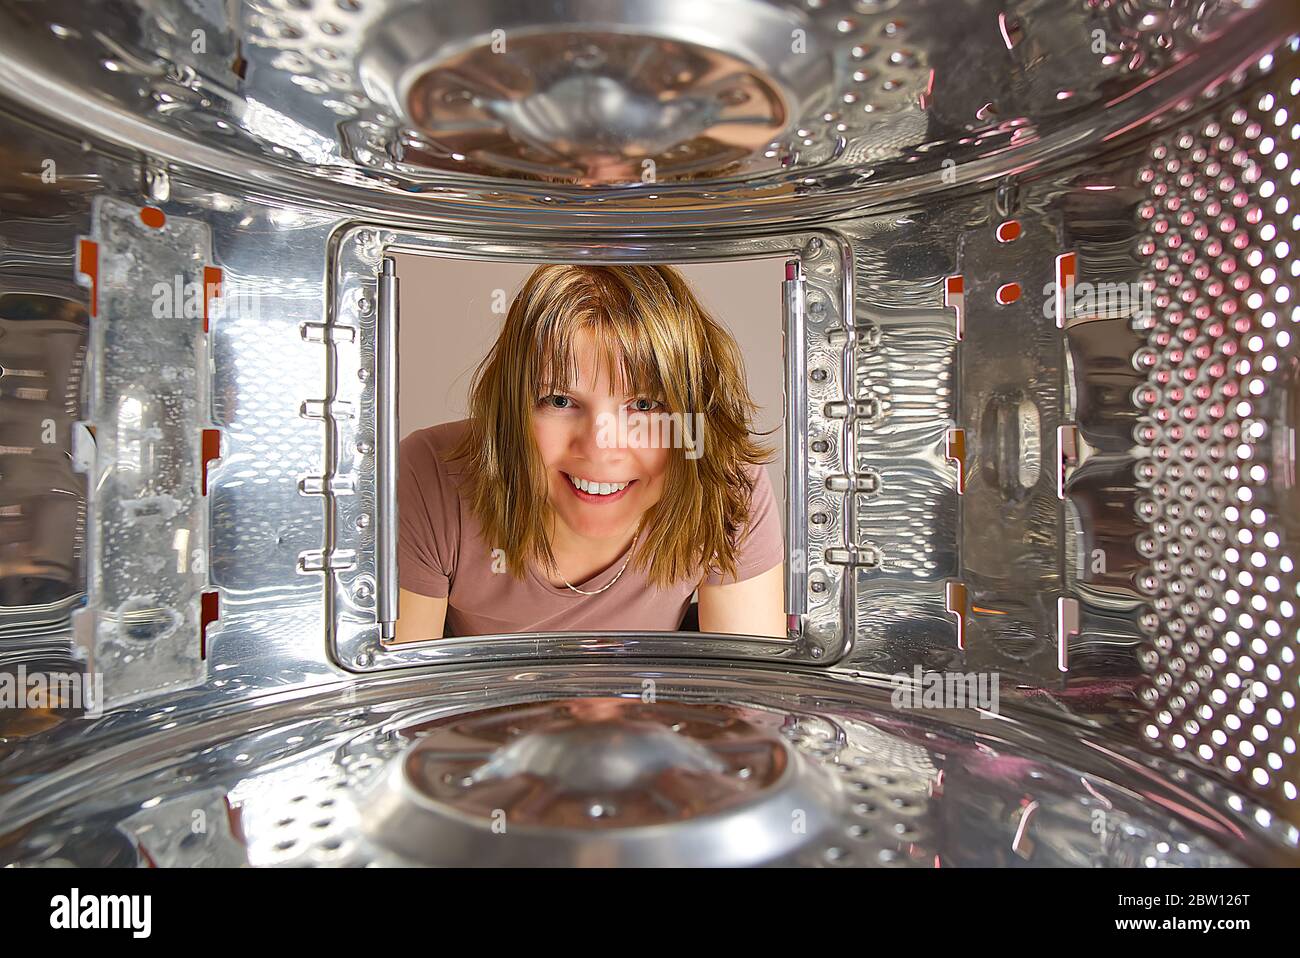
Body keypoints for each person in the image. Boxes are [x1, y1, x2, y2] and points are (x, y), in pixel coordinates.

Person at [394, 263, 785, 641]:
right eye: (560, 401)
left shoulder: (726, 486)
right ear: (509, 409)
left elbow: (747, 702)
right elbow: (399, 696)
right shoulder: (429, 475)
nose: (600, 447)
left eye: (644, 406)